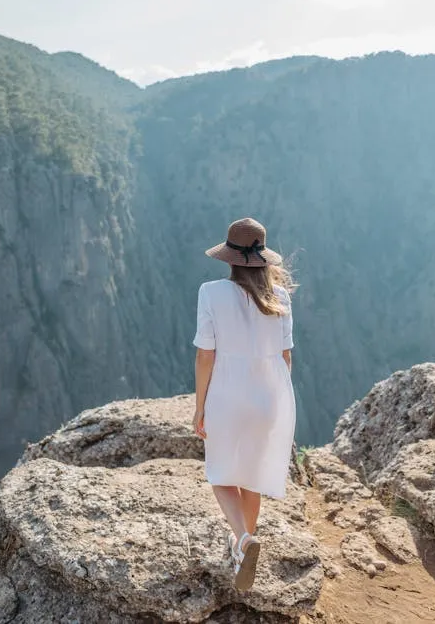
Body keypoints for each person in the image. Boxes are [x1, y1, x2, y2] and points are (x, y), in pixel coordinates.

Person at [192, 217, 297, 592]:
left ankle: (243, 539)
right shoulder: (280, 298)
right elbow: (285, 359)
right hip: (269, 396)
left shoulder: (211, 292)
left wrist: (200, 406)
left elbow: (206, 356)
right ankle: (243, 549)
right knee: (251, 476)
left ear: (230, 259)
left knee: (220, 474)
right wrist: (276, 402)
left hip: (227, 394)